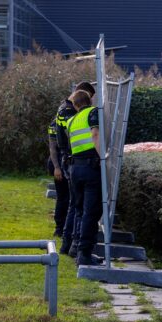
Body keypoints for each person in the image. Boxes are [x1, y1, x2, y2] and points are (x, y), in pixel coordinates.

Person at [54, 82, 96, 255]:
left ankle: (68, 244)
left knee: (74, 205)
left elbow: (55, 139)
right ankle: (75, 245)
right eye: (90, 98)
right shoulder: (72, 113)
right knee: (78, 207)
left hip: (70, 162)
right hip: (78, 162)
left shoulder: (63, 111)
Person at [66, 88, 104, 266]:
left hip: (75, 169)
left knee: (79, 210)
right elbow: (95, 135)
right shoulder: (93, 112)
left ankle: (76, 247)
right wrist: (102, 159)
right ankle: (85, 254)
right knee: (92, 211)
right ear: (89, 100)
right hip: (90, 167)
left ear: (75, 105)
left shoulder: (71, 120)